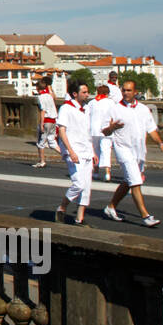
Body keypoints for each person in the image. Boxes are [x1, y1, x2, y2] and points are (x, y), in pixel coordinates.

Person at [101, 80, 163, 227]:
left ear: (135, 92)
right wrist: (112, 127)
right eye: (124, 90)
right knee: (135, 181)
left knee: (128, 181)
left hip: (139, 152)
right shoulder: (114, 109)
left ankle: (111, 207)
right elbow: (104, 131)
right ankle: (145, 216)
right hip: (123, 149)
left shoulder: (144, 109)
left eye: (129, 90)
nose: (126, 93)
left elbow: (151, 129)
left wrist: (161, 144)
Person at [54, 79, 93, 225]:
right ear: (75, 94)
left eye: (87, 92)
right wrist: (70, 151)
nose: (87, 94)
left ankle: (79, 218)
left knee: (87, 186)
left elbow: (87, 132)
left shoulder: (87, 108)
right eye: (84, 92)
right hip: (74, 151)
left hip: (86, 150)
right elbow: (62, 130)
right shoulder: (66, 108)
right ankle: (62, 207)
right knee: (78, 184)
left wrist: (93, 151)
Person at [89, 83, 117, 182]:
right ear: (107, 93)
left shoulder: (92, 102)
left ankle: (95, 172)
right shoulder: (111, 103)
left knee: (95, 151)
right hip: (106, 130)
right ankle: (107, 173)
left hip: (93, 130)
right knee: (106, 151)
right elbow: (114, 117)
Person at [33, 76, 57, 168]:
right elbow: (54, 98)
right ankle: (66, 155)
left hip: (46, 120)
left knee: (40, 143)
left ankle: (42, 161)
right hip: (53, 120)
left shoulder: (41, 97)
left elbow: (43, 111)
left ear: (37, 88)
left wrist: (41, 124)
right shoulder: (50, 96)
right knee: (52, 142)